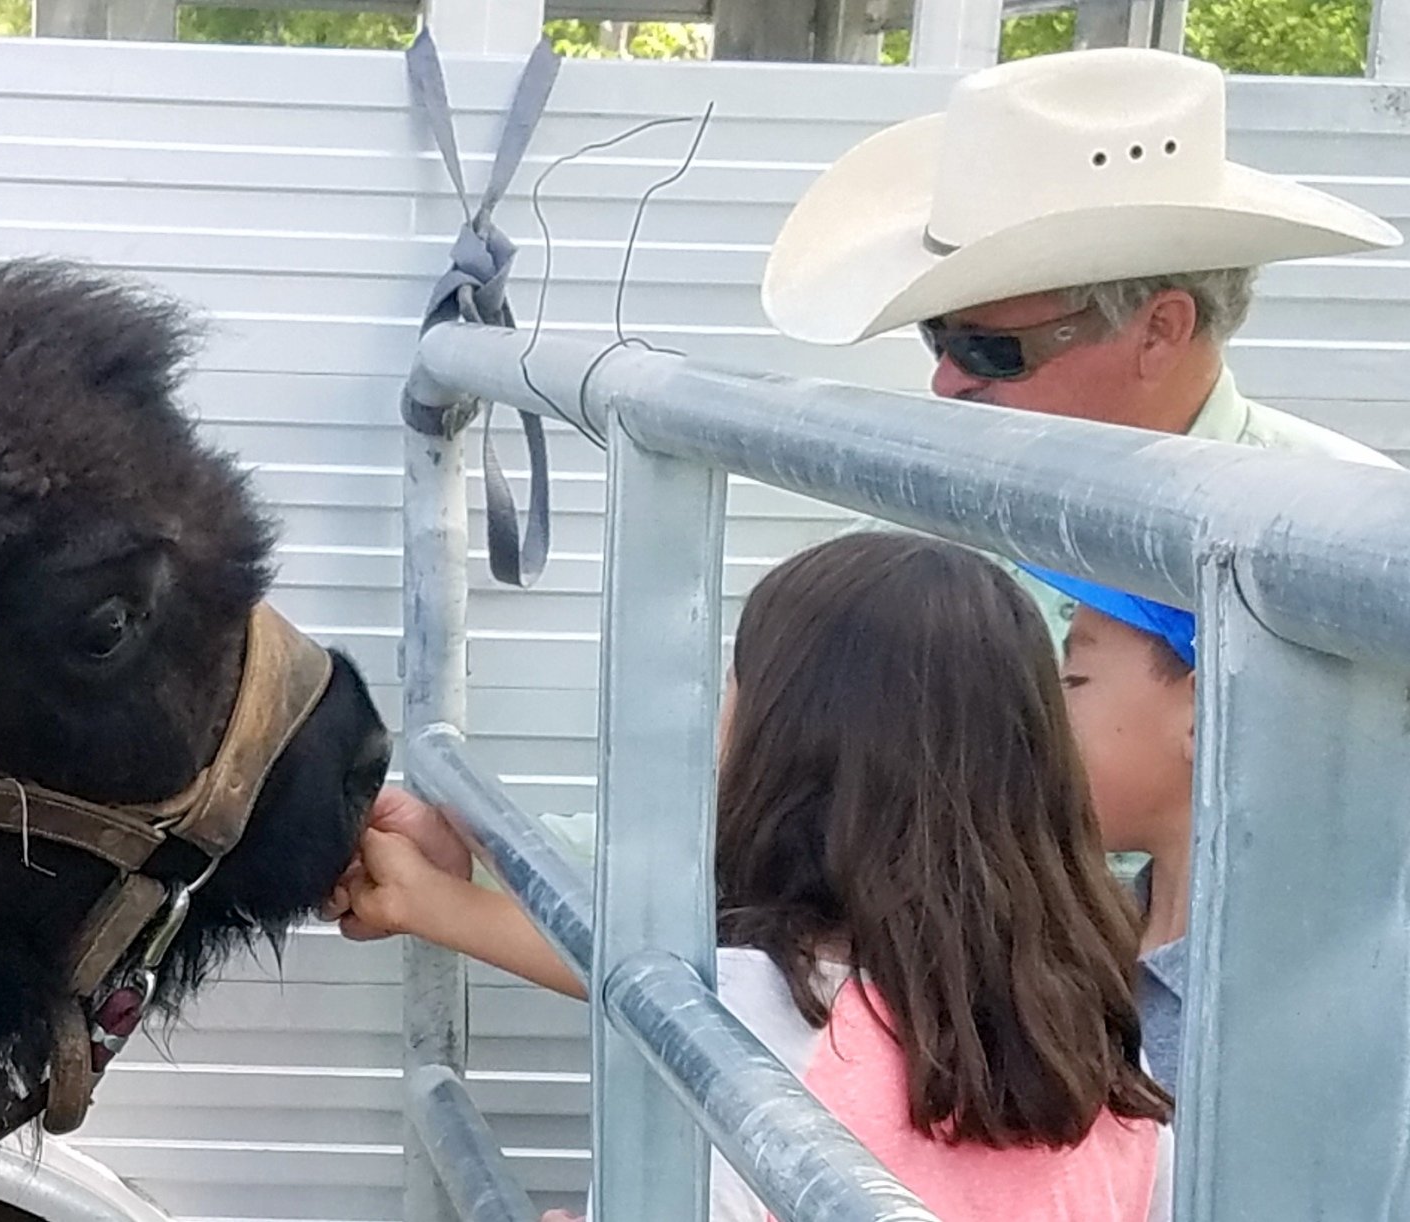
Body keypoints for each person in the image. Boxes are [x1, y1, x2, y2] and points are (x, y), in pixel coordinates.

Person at [333, 533, 1174, 1222]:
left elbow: (725, 993)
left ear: (779, 744)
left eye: (738, 685)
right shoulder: (1105, 1054)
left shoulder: (725, 1038)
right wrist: (440, 896)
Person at [758, 46, 1402, 644]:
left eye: (990, 348)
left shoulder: (1358, 550)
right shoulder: (897, 555)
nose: (947, 382)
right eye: (937, 336)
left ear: (1160, 331)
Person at [1016, 566, 1197, 1098]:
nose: (1043, 715)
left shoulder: (1290, 1014)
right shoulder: (1081, 939)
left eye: (1075, 680)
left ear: (1199, 714)